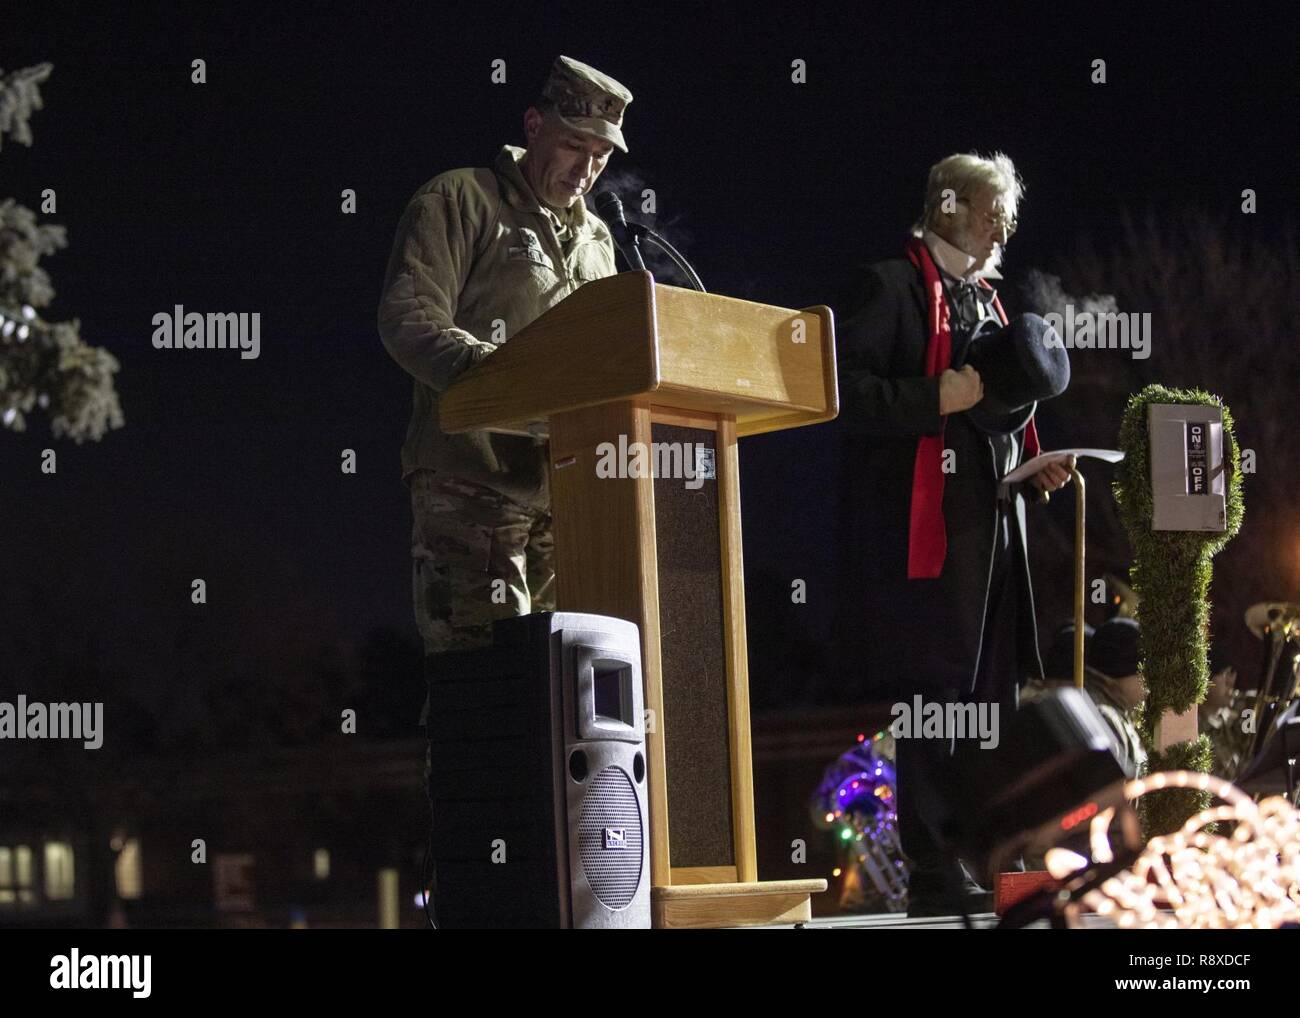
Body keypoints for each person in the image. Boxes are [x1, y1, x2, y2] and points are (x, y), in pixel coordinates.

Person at [833, 152, 1071, 916]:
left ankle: (987, 854)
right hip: (924, 536)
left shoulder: (993, 306)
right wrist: (930, 395)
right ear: (944, 207)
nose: (1001, 224)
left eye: (1006, 209)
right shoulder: (891, 286)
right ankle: (933, 865)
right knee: (933, 699)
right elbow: (845, 396)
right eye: (986, 206)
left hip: (993, 533)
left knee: (989, 698)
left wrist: (1034, 467)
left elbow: (1000, 419)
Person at [377, 56, 632, 717]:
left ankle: (534, 826)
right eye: (574, 144)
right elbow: (408, 320)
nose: (585, 168)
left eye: (601, 155)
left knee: (559, 713)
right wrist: (512, 386)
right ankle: (475, 824)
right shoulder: (459, 199)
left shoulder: (602, 240)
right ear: (534, 123)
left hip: (570, 504)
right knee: (483, 699)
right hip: (472, 491)